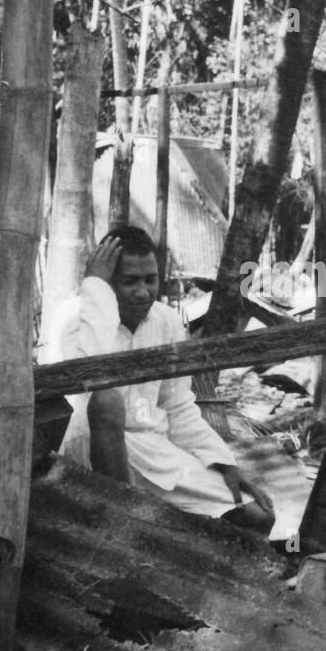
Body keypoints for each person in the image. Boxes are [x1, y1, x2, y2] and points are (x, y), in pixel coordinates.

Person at [53, 227, 275, 532]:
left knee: (257, 516)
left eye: (150, 279)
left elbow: (178, 406)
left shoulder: (166, 321)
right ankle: (124, 526)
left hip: (156, 453)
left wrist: (222, 461)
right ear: (105, 282)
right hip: (94, 452)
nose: (143, 292)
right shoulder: (75, 317)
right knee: (106, 399)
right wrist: (95, 286)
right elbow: (91, 373)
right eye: (128, 281)